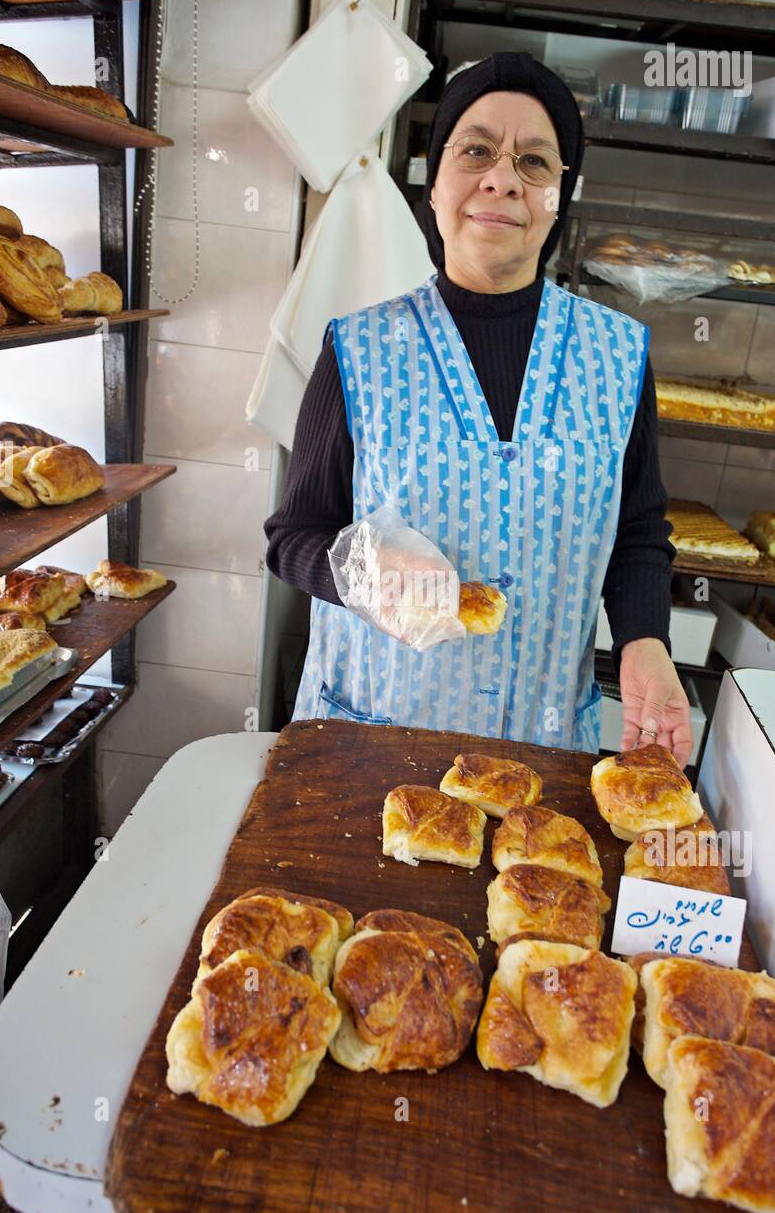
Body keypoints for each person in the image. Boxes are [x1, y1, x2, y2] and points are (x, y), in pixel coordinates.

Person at [265, 52, 692, 764]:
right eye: (476, 151)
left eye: (534, 163)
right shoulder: (359, 350)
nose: (502, 178)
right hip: (373, 740)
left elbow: (639, 532)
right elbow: (293, 537)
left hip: (540, 748)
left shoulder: (616, 358)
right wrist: (367, 572)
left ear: (560, 196)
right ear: (434, 186)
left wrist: (645, 644)